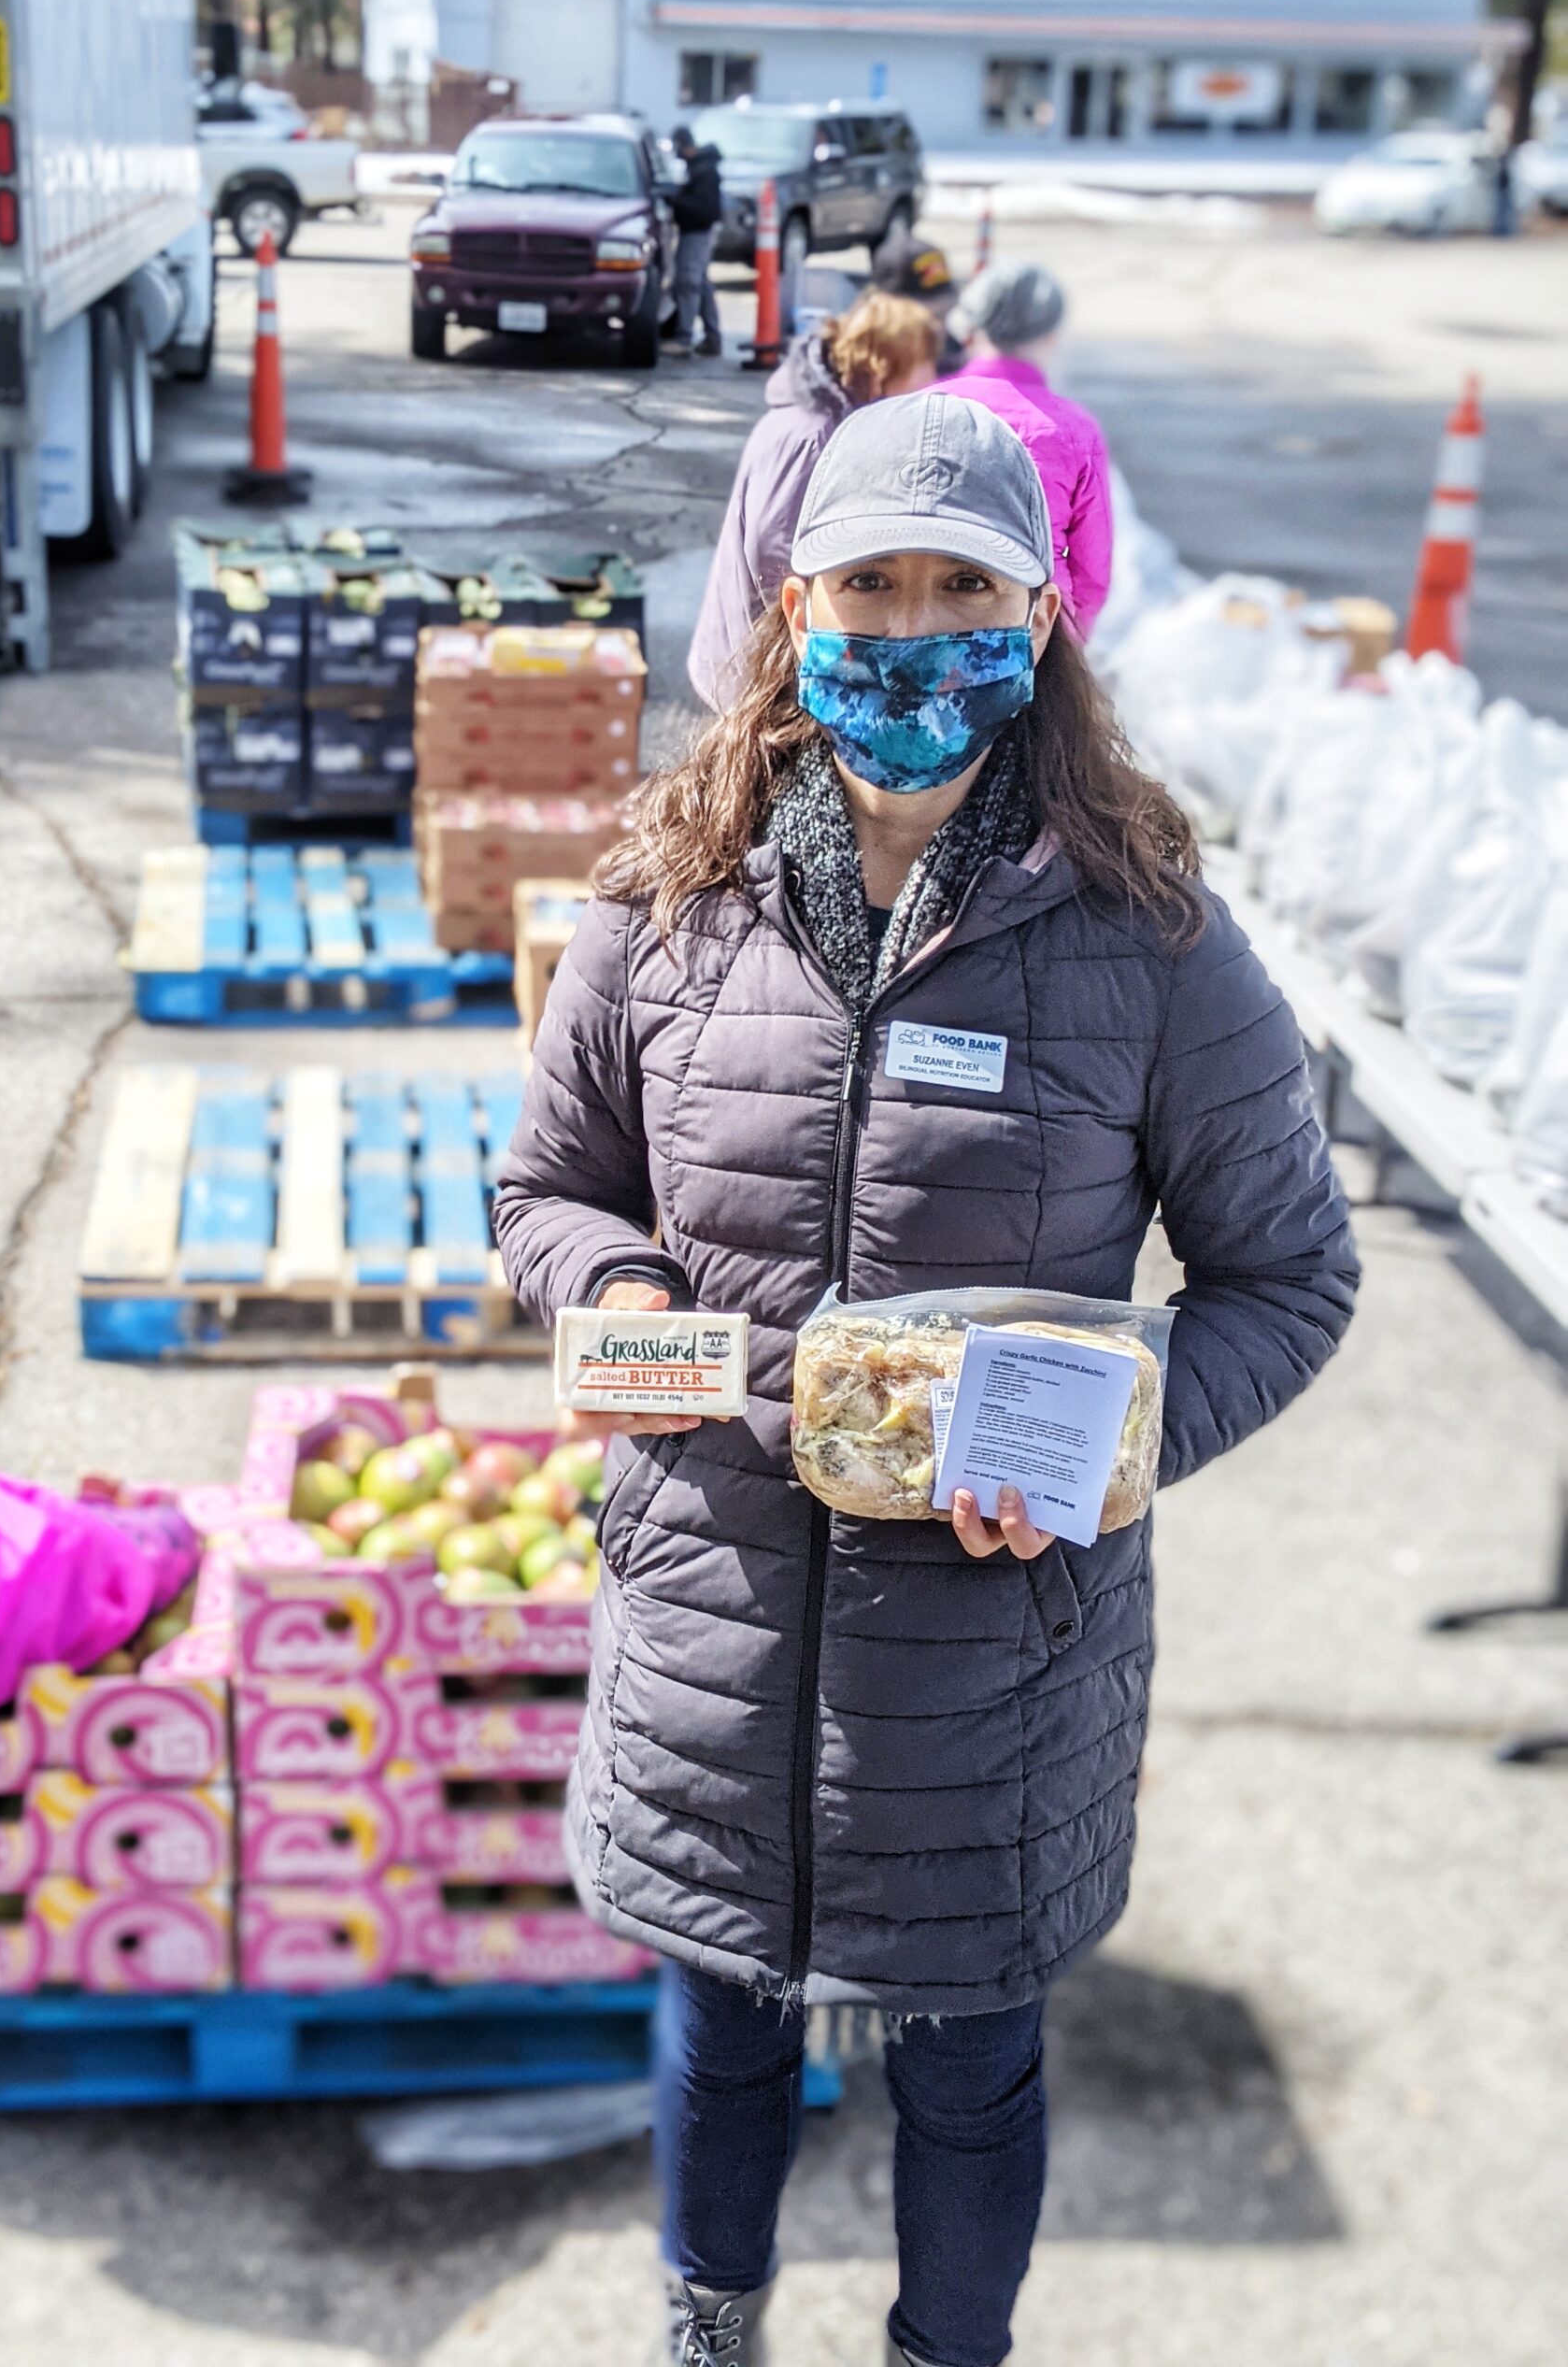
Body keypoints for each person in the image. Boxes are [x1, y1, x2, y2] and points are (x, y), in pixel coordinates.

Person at [494, 390, 1358, 2367]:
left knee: (968, 2068)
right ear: (793, 608)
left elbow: (1287, 1275)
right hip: (714, 1604)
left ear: (1036, 620)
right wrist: (627, 1290)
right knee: (720, 2031)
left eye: (956, 585)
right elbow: (549, 1187)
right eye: (865, 583)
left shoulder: (1150, 943)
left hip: (994, 1655)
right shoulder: (667, 897)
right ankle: (709, 2325)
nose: (906, 627)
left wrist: (1105, 1447)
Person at [688, 290, 940, 706]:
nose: (930, 380)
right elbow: (777, 557)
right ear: (881, 368)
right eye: (921, 367)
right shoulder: (812, 437)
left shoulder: (834, 418)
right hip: (763, 671)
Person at [934, 260, 1114, 636]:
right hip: (1036, 624)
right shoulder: (1075, 429)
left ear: (974, 329)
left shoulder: (922, 406)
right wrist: (1072, 638)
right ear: (1051, 335)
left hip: (936, 616)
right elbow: (1092, 567)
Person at [870, 229, 966, 372]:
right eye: (928, 318)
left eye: (943, 315)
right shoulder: (862, 355)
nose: (938, 328)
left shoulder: (953, 354)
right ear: (885, 303)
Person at [667, 124, 724, 357]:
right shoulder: (699, 168)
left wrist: (675, 200)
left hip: (697, 233)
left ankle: (684, 337)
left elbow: (703, 209)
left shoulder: (705, 172)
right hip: (695, 232)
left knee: (688, 283)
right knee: (701, 284)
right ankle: (712, 338)